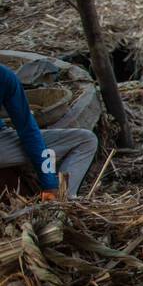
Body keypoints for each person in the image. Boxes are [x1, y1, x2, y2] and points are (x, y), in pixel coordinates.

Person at [0, 64, 97, 199]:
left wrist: (49, 183)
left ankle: (61, 201)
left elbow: (27, 129)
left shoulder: (4, 77)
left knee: (85, 140)